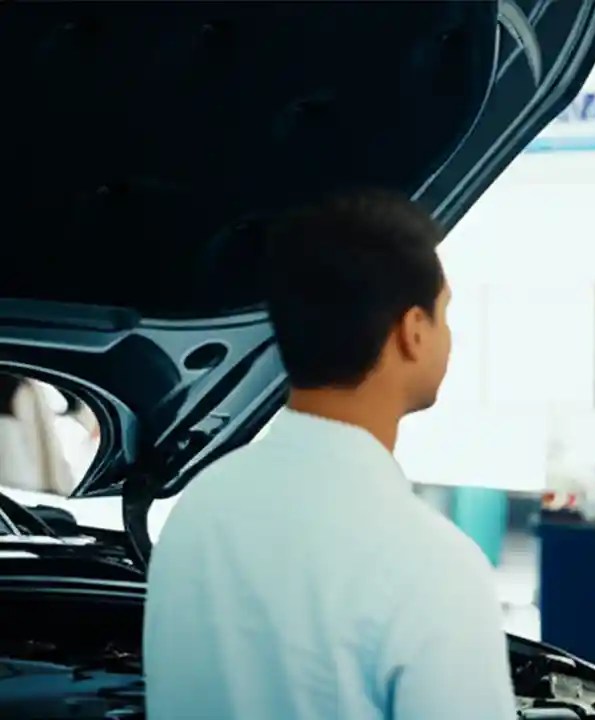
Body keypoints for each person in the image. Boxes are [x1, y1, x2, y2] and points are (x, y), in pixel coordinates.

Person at [143, 190, 517, 719]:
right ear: (412, 332)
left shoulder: (197, 513)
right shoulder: (434, 568)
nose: (448, 336)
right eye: (444, 313)